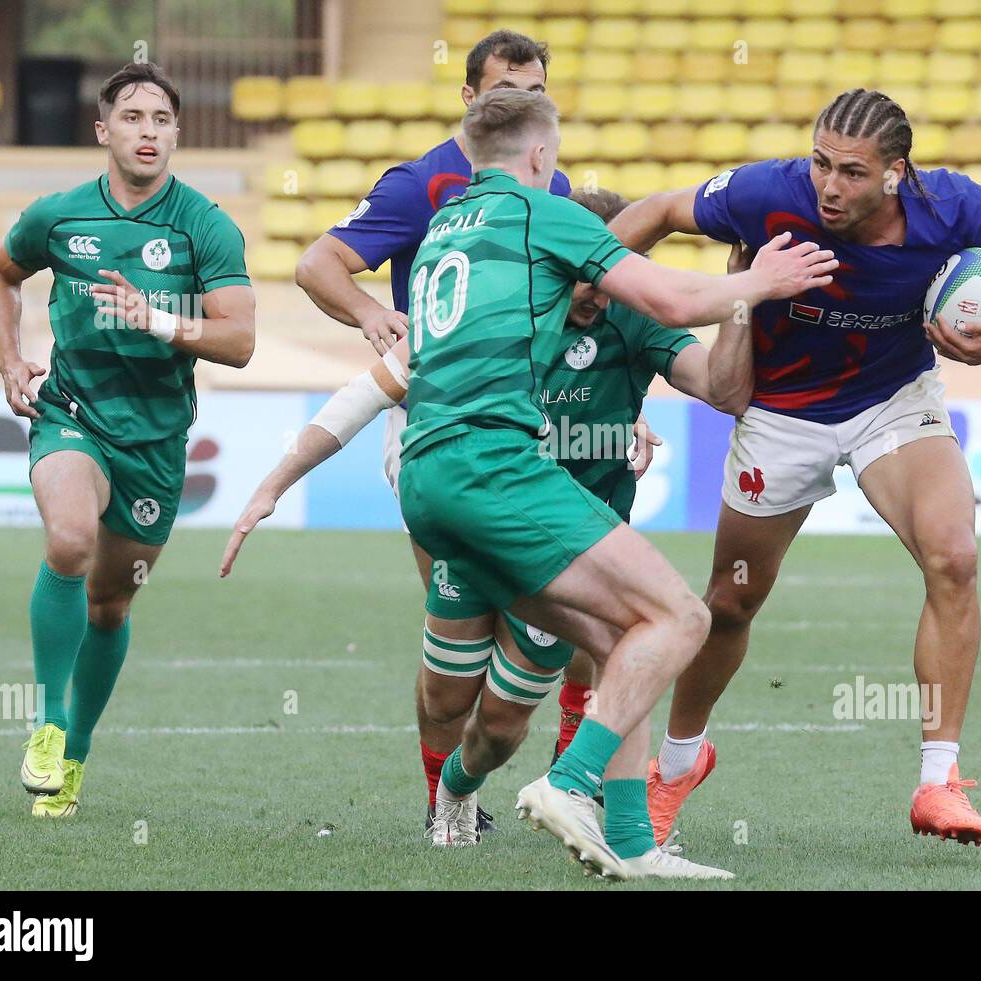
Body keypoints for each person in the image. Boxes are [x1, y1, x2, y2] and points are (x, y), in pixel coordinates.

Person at [220, 189, 756, 874]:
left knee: (505, 722)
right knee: (447, 692)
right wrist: (271, 484)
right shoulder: (495, 312)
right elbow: (371, 390)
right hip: (479, 524)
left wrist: (743, 304)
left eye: (611, 268)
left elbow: (720, 385)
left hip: (561, 546)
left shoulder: (635, 321)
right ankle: (536, 811)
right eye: (581, 271)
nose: (594, 288)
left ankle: (472, 789)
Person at [608, 87, 981, 847]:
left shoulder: (951, 207)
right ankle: (677, 765)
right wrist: (590, 284)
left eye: (852, 172)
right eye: (821, 162)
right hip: (784, 412)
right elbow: (657, 211)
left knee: (954, 557)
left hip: (893, 399)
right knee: (729, 602)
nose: (828, 185)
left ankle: (938, 780)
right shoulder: (766, 194)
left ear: (896, 174)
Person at [397, 88, 836, 879]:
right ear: (540, 157)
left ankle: (633, 840)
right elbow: (668, 295)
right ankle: (568, 782)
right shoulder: (542, 213)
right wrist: (759, 282)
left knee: (616, 640)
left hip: (426, 472)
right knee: (683, 615)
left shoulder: (444, 230)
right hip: (493, 467)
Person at [293, 29, 652, 832]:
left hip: (532, 421)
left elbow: (588, 309)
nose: (524, 102)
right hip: (434, 414)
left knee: (588, 603)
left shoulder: (549, 181)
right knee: (460, 626)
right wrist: (376, 316)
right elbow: (318, 261)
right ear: (468, 96)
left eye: (536, 90)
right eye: (509, 89)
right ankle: (449, 797)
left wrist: (628, 404)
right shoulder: (423, 184)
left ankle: (574, 774)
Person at [0, 62, 255, 818]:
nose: (148, 131)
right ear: (104, 131)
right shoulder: (59, 215)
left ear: (176, 133)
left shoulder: (205, 226)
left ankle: (74, 755)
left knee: (109, 606)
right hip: (72, 413)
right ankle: (47, 720)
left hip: (157, 443)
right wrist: (10, 362)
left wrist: (159, 320)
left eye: (162, 119)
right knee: (68, 539)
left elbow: (240, 342)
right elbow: (0, 277)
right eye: (132, 117)